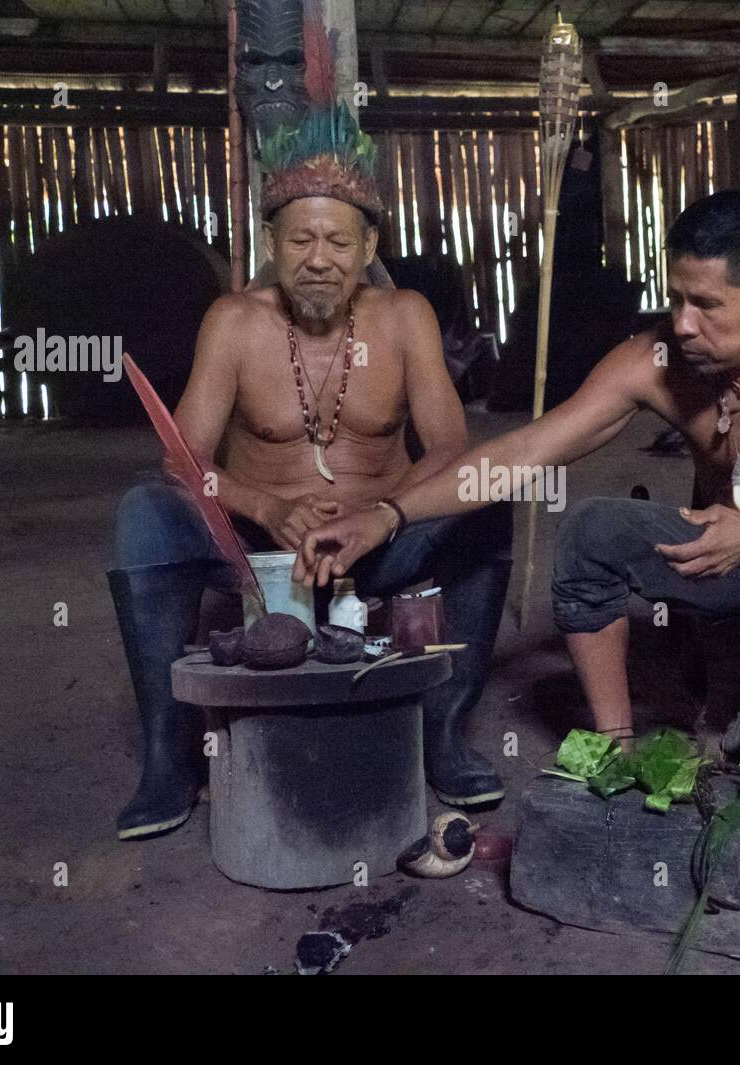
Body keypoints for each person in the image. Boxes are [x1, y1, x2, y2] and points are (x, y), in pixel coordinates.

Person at [295, 189, 740, 874]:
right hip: (730, 560)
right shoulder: (654, 359)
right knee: (592, 531)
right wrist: (389, 513)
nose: (683, 323)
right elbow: (519, 454)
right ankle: (615, 745)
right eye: (676, 298)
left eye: (708, 304)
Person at [106, 99, 511, 842]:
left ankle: (445, 732)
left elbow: (452, 449)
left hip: (379, 550)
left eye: (336, 240)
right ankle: (168, 760)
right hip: (259, 560)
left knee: (489, 494)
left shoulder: (406, 317)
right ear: (270, 240)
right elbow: (181, 459)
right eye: (299, 240)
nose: (317, 259)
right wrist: (264, 502)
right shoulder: (234, 322)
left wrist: (380, 514)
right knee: (143, 514)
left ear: (368, 247)